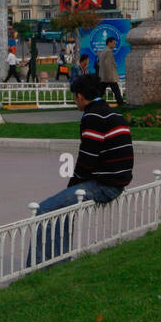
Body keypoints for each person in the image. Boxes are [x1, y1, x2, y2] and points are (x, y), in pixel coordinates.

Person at [30, 74, 132, 264]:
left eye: (74, 97)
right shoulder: (112, 112)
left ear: (80, 96)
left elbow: (87, 159)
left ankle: (37, 270)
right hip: (117, 179)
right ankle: (58, 263)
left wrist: (72, 185)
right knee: (62, 210)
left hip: (106, 184)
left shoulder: (93, 116)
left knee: (44, 211)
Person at [95, 36, 124, 106]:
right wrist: (110, 77)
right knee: (116, 91)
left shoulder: (103, 51)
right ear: (109, 43)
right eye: (114, 43)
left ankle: (94, 103)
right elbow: (108, 66)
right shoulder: (108, 52)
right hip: (109, 77)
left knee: (101, 92)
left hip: (104, 76)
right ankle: (121, 104)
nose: (115, 45)